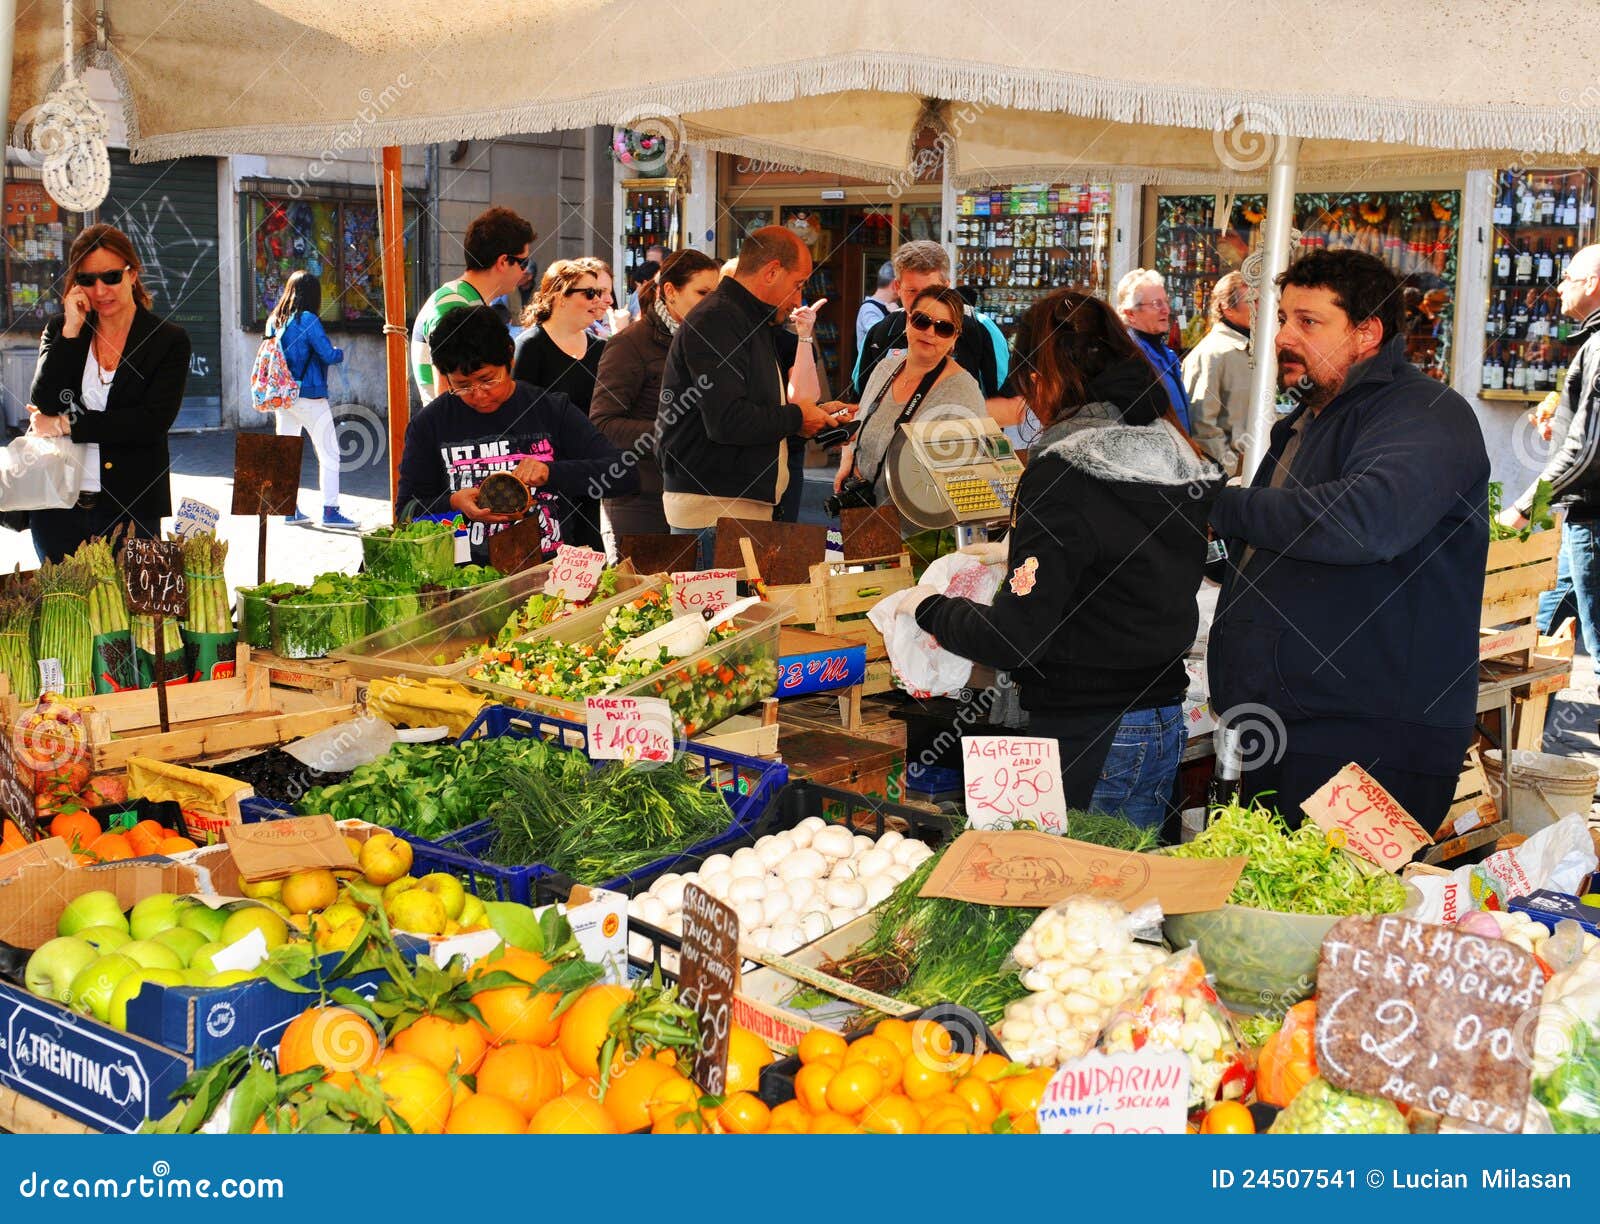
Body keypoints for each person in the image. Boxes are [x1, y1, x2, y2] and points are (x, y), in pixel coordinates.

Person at [906, 290, 1223, 824]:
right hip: (1161, 716)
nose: (1028, 406)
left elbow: (1015, 636)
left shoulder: (1062, 471)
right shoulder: (1171, 445)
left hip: (1091, 729)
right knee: (1121, 895)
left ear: (1042, 378)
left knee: (1074, 895)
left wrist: (929, 608)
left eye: (1027, 387)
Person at [1208, 249, 1490, 831]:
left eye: (1308, 322)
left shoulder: (1426, 412)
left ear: (1367, 334)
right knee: (1273, 914)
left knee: (1335, 916)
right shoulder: (1306, 422)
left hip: (1373, 740)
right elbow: (1274, 551)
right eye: (1282, 317)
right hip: (1288, 725)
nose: (1284, 336)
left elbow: (1364, 522)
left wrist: (1217, 505)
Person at [657, 226, 839, 566]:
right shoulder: (718, 319)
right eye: (798, 284)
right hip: (714, 514)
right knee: (723, 620)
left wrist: (817, 412)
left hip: (733, 509)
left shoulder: (746, 318)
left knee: (743, 618)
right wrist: (800, 417)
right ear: (771, 271)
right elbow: (727, 420)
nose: (800, 297)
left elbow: (754, 407)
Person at [395, 306, 633, 564]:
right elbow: (407, 511)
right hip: (465, 577)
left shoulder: (550, 410)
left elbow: (624, 475)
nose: (478, 394)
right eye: (462, 386)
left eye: (488, 380)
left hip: (550, 575)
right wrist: (452, 502)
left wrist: (551, 473)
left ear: (510, 357)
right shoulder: (430, 424)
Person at [27, 224, 190, 562]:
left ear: (133, 274)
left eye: (111, 276)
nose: (100, 290)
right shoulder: (63, 329)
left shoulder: (168, 340)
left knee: (129, 614)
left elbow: (150, 422)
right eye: (87, 280)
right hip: (58, 508)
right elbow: (44, 399)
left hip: (131, 510)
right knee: (64, 611)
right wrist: (72, 331)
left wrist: (63, 424)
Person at [1500, 243, 1600, 653]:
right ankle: (1524, 716)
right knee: (1541, 633)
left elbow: (1587, 449)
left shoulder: (1598, 346)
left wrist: (1526, 508)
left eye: (1569, 279)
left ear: (1593, 283)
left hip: (1593, 521)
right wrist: (1561, 421)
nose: (1559, 288)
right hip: (1584, 517)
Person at [591, 249, 721, 545]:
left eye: (717, 294)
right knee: (642, 591)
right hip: (639, 499)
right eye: (702, 292)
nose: (713, 303)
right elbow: (603, 423)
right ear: (670, 292)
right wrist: (676, 435)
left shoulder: (712, 344)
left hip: (699, 496)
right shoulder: (629, 344)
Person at [835, 287, 986, 526]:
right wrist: (849, 460)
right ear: (907, 320)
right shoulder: (885, 368)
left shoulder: (963, 390)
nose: (930, 332)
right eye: (921, 321)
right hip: (864, 517)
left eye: (944, 328)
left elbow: (971, 477)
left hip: (920, 534)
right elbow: (862, 423)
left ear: (955, 338)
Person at [850, 241, 1009, 404]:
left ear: (947, 287)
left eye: (931, 292)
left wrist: (946, 421)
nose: (922, 300)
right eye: (912, 291)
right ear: (898, 287)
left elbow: (1010, 403)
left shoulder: (980, 328)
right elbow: (859, 401)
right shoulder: (880, 332)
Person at [410, 207, 533, 404]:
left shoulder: (461, 299)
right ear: (503, 261)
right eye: (523, 262)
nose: (524, 271)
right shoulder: (454, 304)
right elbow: (448, 396)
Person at [264, 270, 356, 528]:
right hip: (310, 395)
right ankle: (330, 510)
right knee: (330, 453)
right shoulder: (308, 319)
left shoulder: (274, 320)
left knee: (286, 452)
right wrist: (339, 352)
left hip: (282, 395)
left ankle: (288, 509)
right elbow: (327, 354)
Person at [513, 258, 609, 416]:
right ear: (561, 297)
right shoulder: (529, 346)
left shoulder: (600, 348)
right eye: (590, 293)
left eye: (598, 293)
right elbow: (520, 413)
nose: (598, 300)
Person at [1182, 271, 1252, 476]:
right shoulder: (1211, 354)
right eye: (1252, 301)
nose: (1260, 307)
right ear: (1226, 307)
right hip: (1231, 472)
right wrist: (1227, 471)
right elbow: (1202, 424)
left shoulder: (1254, 349)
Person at [1117, 268, 1193, 432]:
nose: (1166, 310)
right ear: (1130, 313)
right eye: (1156, 304)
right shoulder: (1128, 357)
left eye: (1166, 301)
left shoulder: (1165, 353)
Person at [855, 260, 897, 353]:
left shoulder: (892, 306)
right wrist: (895, 316)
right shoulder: (869, 308)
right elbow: (880, 337)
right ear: (895, 285)